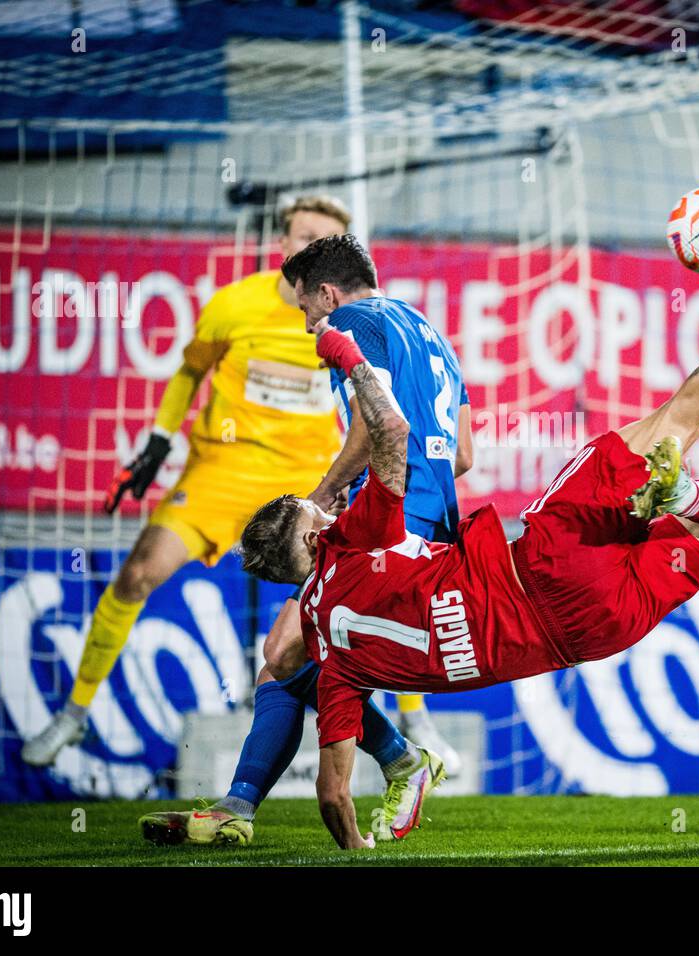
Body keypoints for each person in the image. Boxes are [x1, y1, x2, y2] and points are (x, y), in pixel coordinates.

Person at [236, 244, 699, 848]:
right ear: (317, 530)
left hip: (590, 633)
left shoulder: (339, 671)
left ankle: (287, 791)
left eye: (305, 309)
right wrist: (346, 359)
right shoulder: (363, 519)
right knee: (679, 415)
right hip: (535, 558)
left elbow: (331, 795)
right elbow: (416, 440)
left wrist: (352, 851)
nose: (312, 321)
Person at [140, 232, 475, 846]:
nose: (306, 325)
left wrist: (325, 495)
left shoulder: (350, 321)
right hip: (433, 528)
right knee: (285, 657)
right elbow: (465, 455)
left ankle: (395, 761)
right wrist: (391, 487)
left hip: (397, 531)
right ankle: (248, 803)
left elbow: (381, 430)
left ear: (326, 292)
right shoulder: (430, 334)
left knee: (288, 655)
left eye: (303, 309)